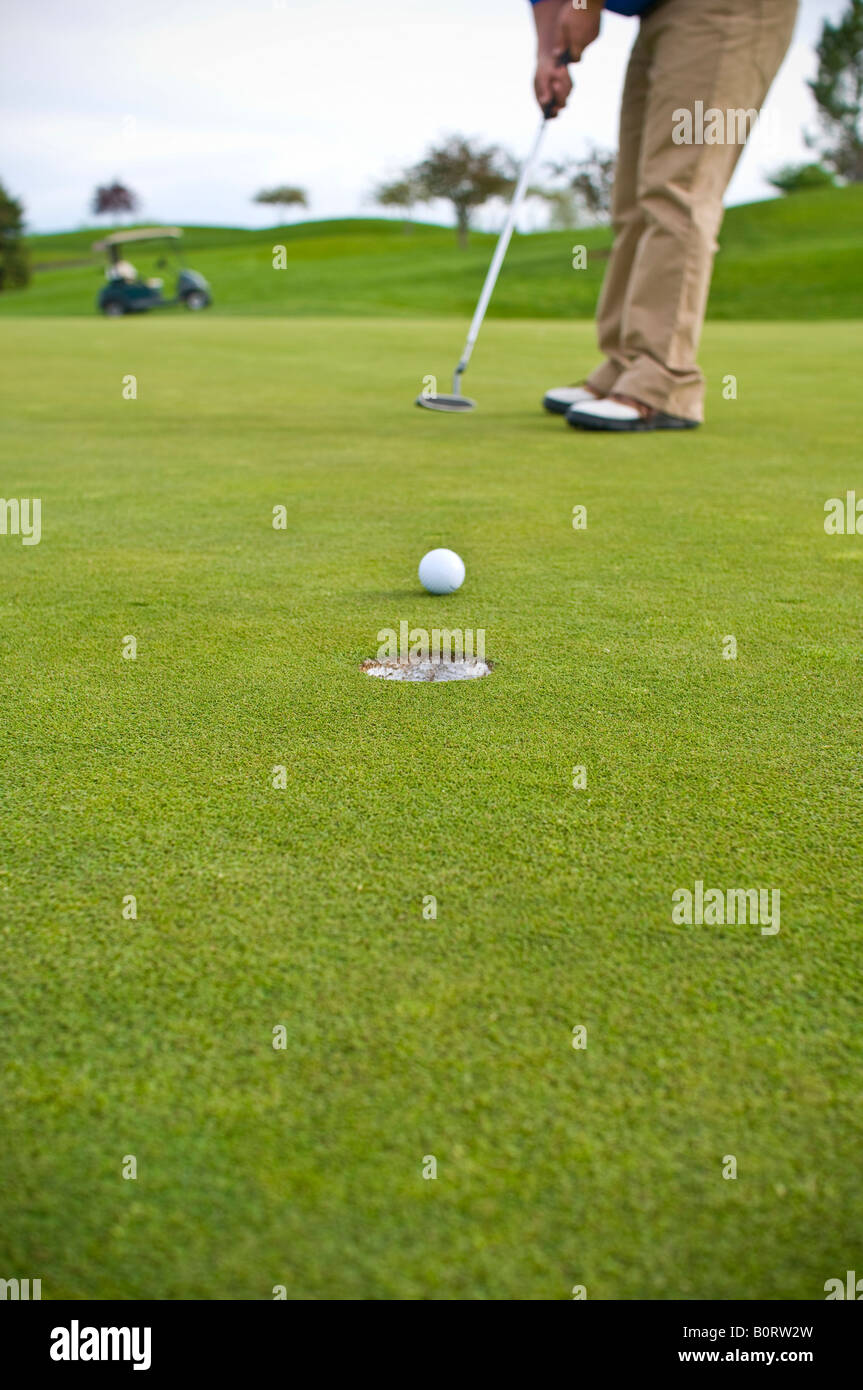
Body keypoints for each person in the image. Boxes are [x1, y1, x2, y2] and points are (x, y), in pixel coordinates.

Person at [531, 0, 798, 432]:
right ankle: (626, 364)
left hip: (727, 9)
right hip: (657, 10)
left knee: (678, 188)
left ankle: (663, 379)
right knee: (634, 198)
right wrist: (548, 53)